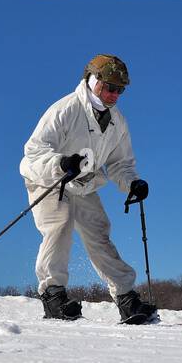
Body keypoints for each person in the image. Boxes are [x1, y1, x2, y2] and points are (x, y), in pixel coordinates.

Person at [18, 54, 153, 323]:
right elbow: (32, 155)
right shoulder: (65, 110)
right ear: (93, 81)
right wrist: (61, 163)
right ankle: (53, 294)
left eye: (120, 90)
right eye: (110, 87)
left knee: (99, 234)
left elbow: (120, 163)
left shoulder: (117, 122)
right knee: (60, 224)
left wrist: (132, 183)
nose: (115, 94)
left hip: (84, 184)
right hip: (50, 180)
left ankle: (126, 297)